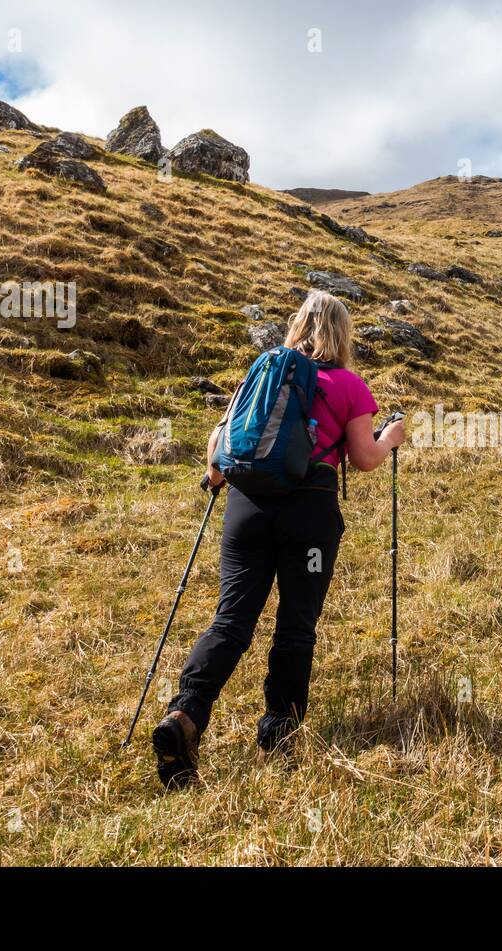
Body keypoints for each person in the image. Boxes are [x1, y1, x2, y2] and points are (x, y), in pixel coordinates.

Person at [152, 290, 405, 788]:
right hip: (308, 515)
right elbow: (365, 459)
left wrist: (214, 477)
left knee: (231, 620)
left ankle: (185, 715)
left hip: (247, 509)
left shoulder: (262, 372)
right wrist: (391, 436)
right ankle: (279, 734)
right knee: (295, 625)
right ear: (342, 333)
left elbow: (219, 447)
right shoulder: (349, 385)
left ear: (298, 326)